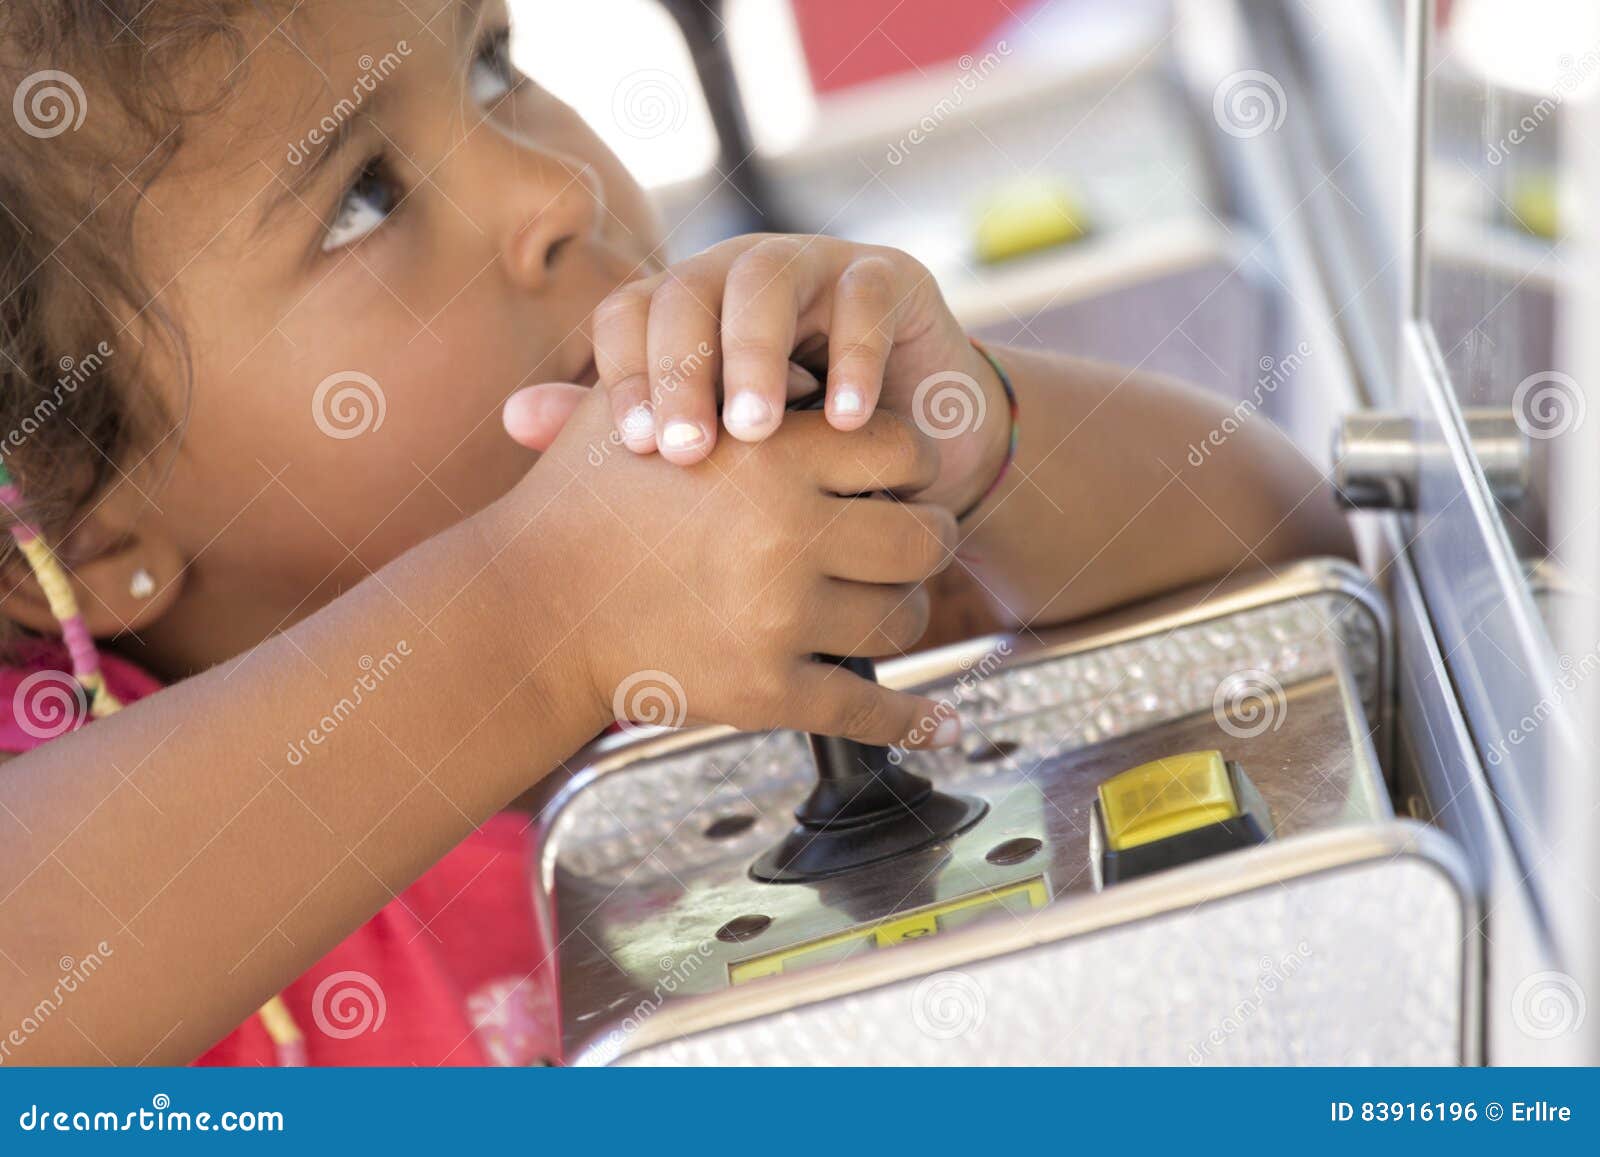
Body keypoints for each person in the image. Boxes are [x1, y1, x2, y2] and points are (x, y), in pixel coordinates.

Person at [0, 0, 1349, 1065]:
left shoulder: (722, 538)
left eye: (489, 62)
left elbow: (1284, 564)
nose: (554, 191)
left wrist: (964, 439)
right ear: (78, 511)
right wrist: (540, 618)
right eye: (364, 196)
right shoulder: (94, 836)